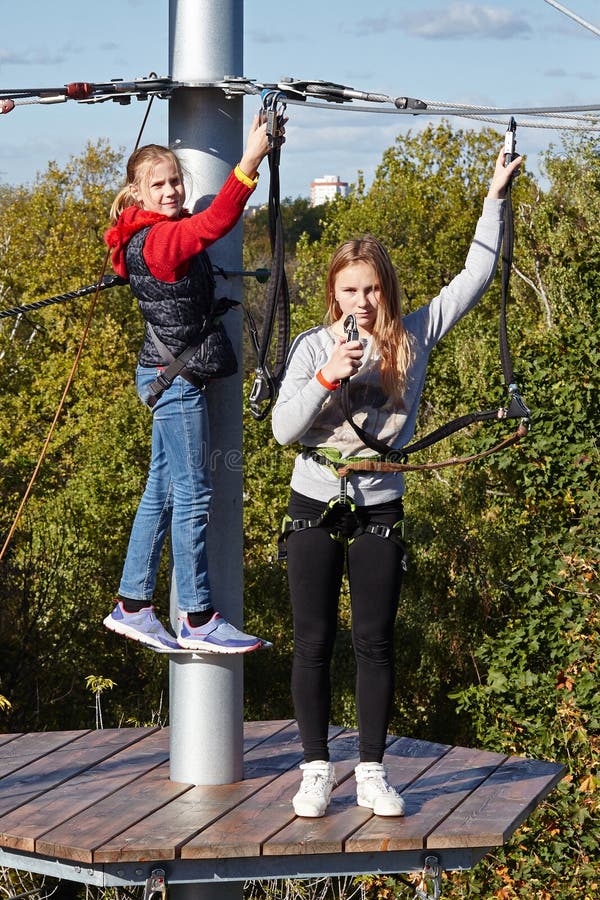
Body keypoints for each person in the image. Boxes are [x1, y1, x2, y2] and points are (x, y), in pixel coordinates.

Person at [272, 143, 522, 817]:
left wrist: (494, 198)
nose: (362, 300)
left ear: (387, 290)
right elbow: (282, 429)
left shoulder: (413, 335)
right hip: (315, 501)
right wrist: (330, 376)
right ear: (334, 293)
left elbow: (477, 273)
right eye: (350, 290)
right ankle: (316, 768)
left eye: (372, 288)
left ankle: (373, 771)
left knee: (375, 641)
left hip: (381, 503)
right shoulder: (311, 348)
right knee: (315, 638)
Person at [103, 115, 276, 653]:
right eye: (159, 184)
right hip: (174, 381)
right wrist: (249, 162)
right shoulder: (159, 240)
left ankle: (133, 605)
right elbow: (213, 224)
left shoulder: (144, 235)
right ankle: (197, 617)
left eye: (176, 180)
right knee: (196, 493)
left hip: (164, 372)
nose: (172, 189)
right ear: (137, 192)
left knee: (162, 490)